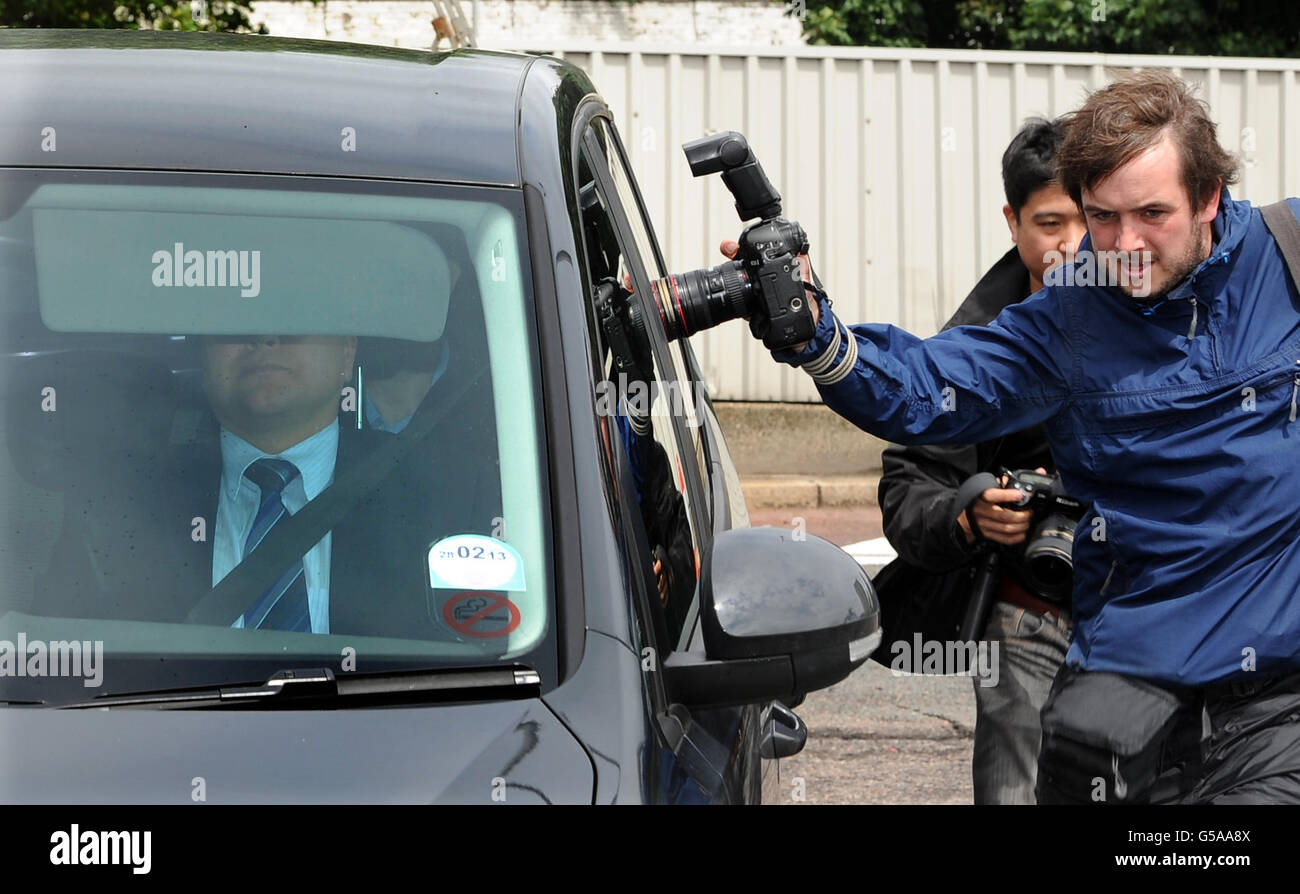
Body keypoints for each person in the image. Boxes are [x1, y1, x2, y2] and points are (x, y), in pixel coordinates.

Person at [726, 70, 1300, 803]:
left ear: (1211, 197)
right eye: (1101, 217)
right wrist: (813, 331)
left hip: (1279, 701)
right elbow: (929, 388)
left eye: (1152, 213)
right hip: (1121, 699)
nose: (1124, 245)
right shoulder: (1071, 316)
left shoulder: (1289, 259)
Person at [874, 117, 1086, 804]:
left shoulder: (1171, 321)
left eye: (1090, 221)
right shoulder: (975, 344)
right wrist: (970, 513)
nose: (1074, 246)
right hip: (1030, 609)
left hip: (1154, 608)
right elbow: (911, 487)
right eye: (1051, 223)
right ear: (1013, 221)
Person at [40, 332, 499, 640]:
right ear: (202, 355)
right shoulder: (119, 502)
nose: (265, 336)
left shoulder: (454, 491)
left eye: (293, 310)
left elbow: (494, 661)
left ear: (346, 354)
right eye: (235, 318)